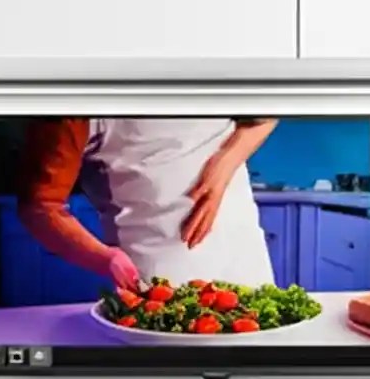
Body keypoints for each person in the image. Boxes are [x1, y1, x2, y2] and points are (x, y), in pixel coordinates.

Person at [17, 117, 277, 290]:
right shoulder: (74, 99)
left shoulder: (210, 56)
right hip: (162, 281)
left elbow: (267, 113)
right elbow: (40, 204)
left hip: (247, 261)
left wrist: (226, 162)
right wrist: (105, 259)